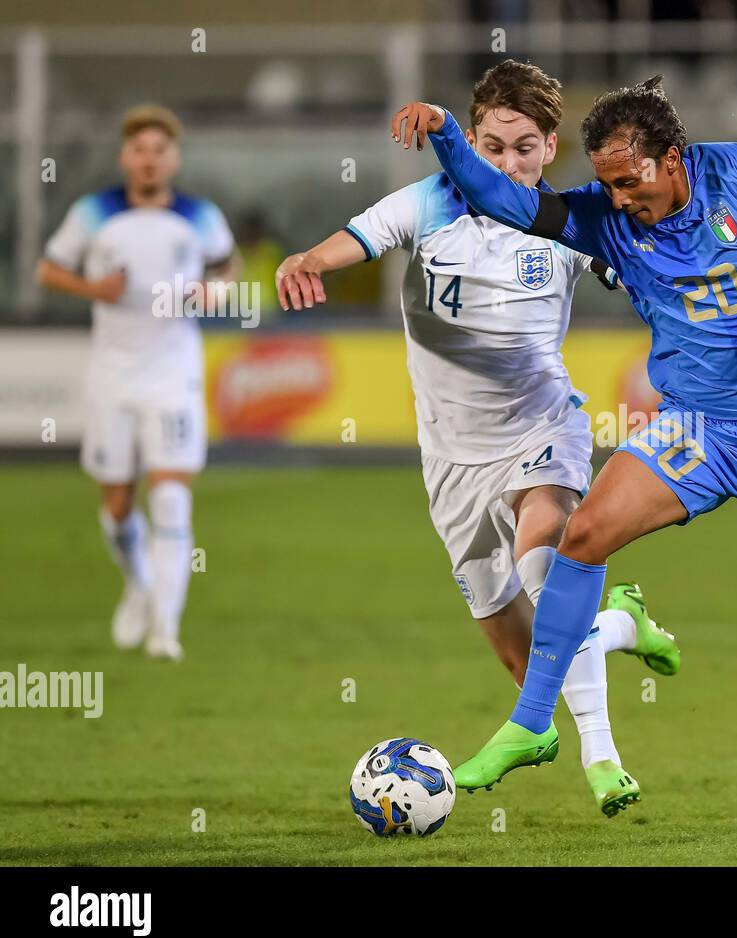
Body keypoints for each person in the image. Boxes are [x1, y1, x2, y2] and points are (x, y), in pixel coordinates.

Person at [390, 74, 737, 793]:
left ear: (673, 159)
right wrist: (443, 130)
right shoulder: (604, 217)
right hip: (700, 427)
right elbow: (504, 199)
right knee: (583, 534)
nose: (620, 199)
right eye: (607, 185)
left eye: (630, 181)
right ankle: (530, 724)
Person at [275, 61, 679, 817]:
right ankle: (621, 622)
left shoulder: (564, 222)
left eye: (524, 148)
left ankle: (606, 761)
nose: (507, 163)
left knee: (544, 559)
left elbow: (648, 271)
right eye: (492, 146)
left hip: (542, 428)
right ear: (468, 140)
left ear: (550, 147)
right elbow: (357, 239)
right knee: (523, 656)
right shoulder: (431, 202)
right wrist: (307, 260)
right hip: (452, 459)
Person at [37, 104, 240, 661]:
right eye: (140, 150)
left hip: (174, 376)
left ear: (173, 158)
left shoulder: (199, 215)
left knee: (171, 497)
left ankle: (165, 629)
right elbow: (48, 269)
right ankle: (138, 584)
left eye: (160, 151)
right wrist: (92, 289)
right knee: (120, 505)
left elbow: (228, 270)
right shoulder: (93, 212)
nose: (150, 160)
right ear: (126, 156)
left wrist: (215, 294)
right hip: (113, 377)